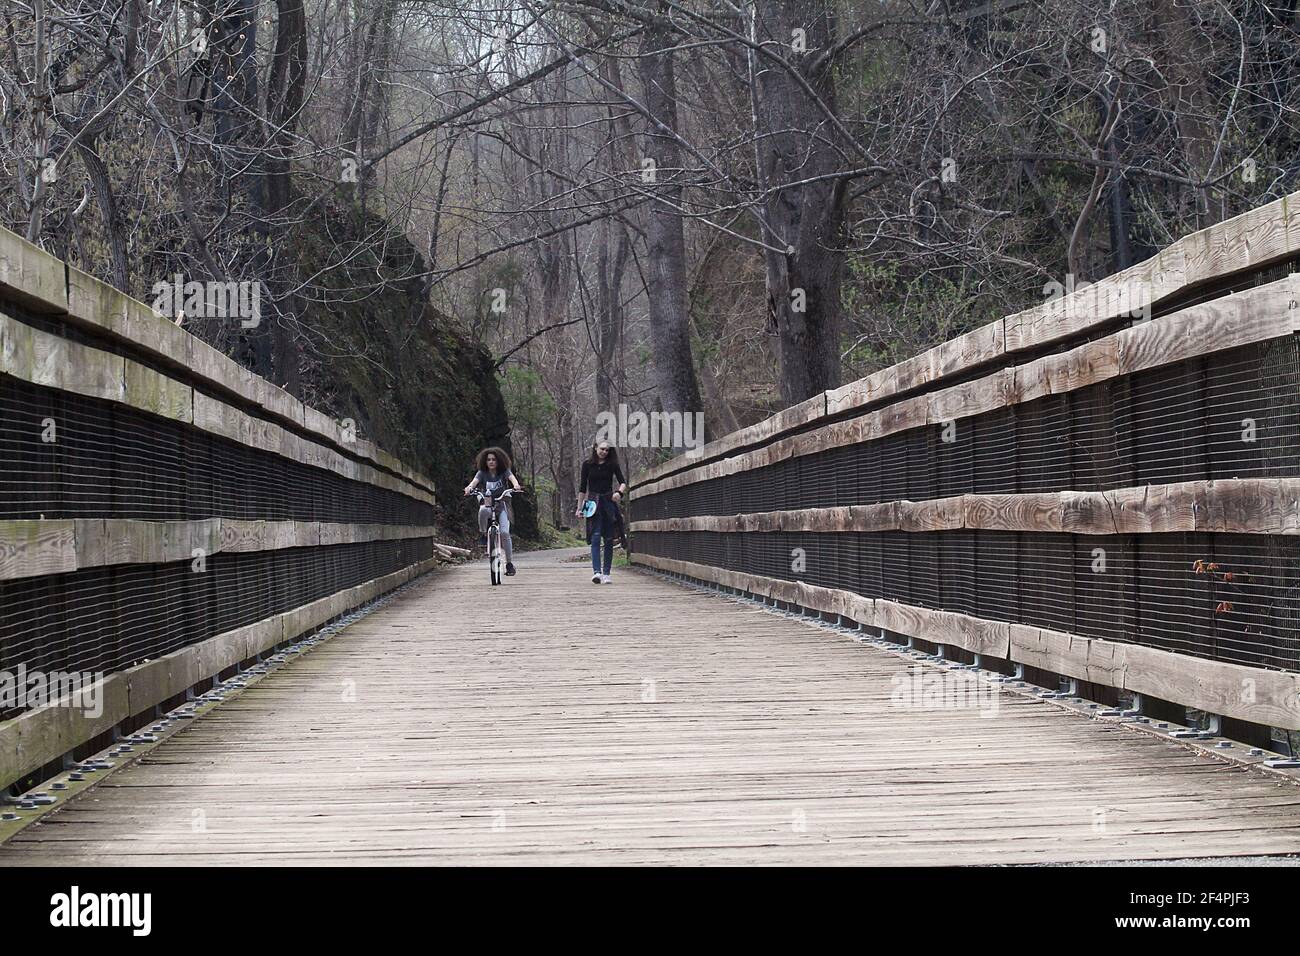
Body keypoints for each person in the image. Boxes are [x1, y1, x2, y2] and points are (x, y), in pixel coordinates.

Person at [463, 447, 523, 576]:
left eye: (494, 460)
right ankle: (484, 534)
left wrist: (516, 485)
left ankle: (509, 564)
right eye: (489, 459)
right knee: (483, 511)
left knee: (505, 533)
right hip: (488, 501)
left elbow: (512, 478)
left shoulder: (504, 471)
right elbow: (474, 482)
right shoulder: (482, 473)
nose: (491, 462)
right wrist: (469, 488)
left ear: (499, 461)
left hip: (502, 503)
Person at [576, 440, 627, 584]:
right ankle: (596, 572)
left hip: (608, 501)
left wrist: (619, 493)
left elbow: (623, 482)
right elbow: (582, 487)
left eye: (607, 450)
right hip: (592, 503)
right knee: (595, 536)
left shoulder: (612, 465)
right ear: (595, 448)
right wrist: (579, 508)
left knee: (609, 538)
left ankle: (606, 573)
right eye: (602, 449)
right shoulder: (587, 465)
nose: (604, 452)